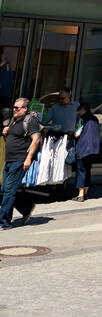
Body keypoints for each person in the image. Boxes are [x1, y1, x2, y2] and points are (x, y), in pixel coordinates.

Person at [0, 97, 41, 228]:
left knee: (8, 192)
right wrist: (5, 132)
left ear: (25, 108)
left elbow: (36, 140)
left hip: (19, 160)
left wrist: (28, 158)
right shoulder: (14, 120)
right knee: (4, 190)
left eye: (17, 108)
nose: (14, 110)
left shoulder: (30, 120)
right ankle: (26, 207)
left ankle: (4, 222)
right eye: (13, 107)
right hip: (9, 160)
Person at [74, 102, 100, 201]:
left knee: (81, 170)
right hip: (93, 149)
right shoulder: (95, 118)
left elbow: (77, 134)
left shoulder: (82, 120)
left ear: (83, 110)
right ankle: (85, 192)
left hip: (83, 148)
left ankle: (80, 195)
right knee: (87, 170)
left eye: (79, 111)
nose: (78, 113)